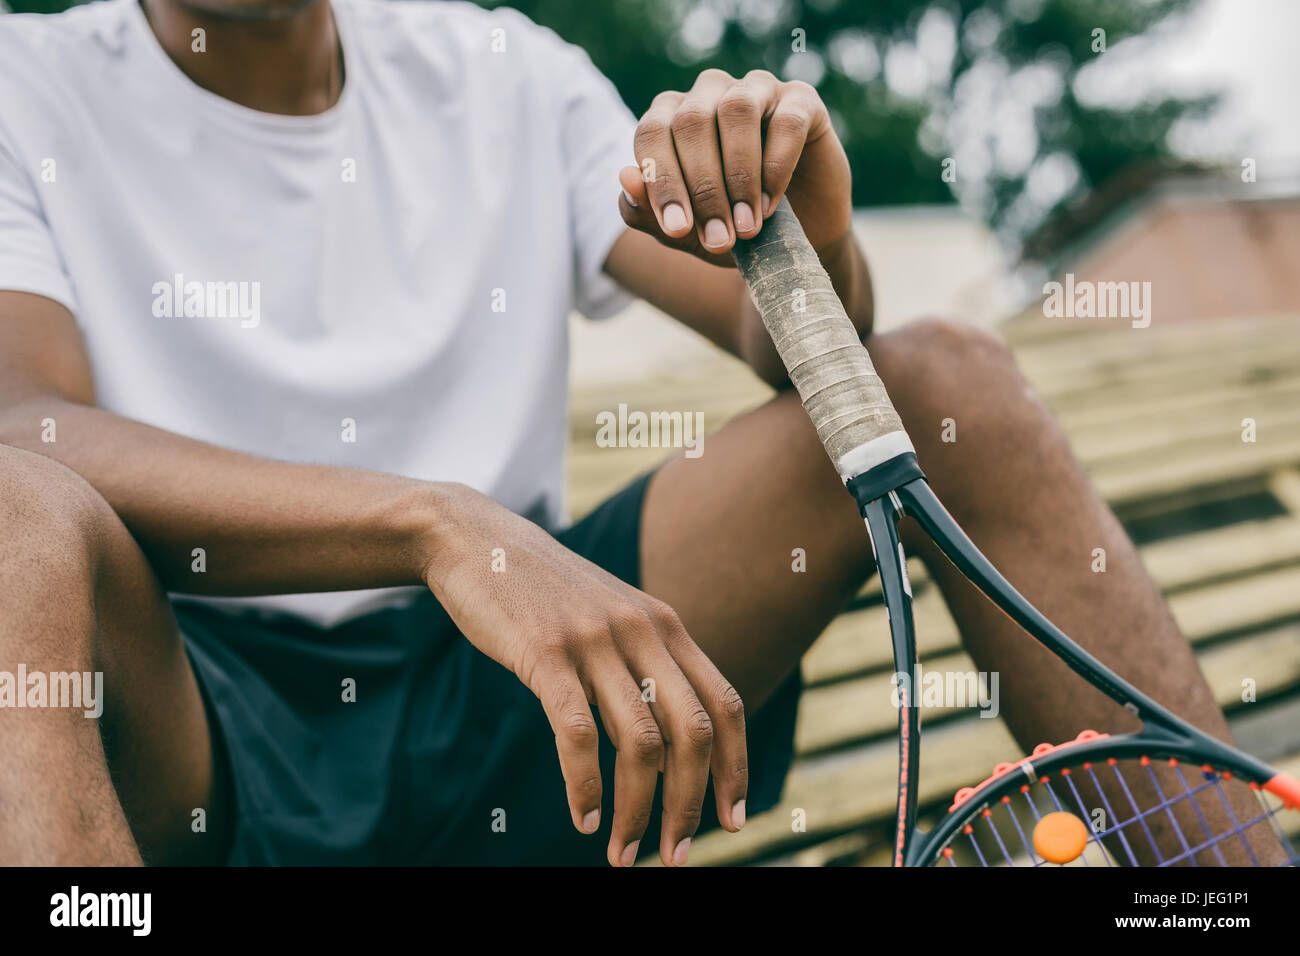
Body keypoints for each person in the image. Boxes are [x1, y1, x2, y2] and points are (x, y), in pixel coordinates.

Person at [0, 0, 1243, 866]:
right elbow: (25, 422)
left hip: (533, 709)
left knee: (940, 374)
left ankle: (1223, 883)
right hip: (190, 727)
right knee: (10, 513)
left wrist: (802, 226)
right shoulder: (25, 79)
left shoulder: (506, 73)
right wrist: (446, 526)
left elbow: (798, 352)